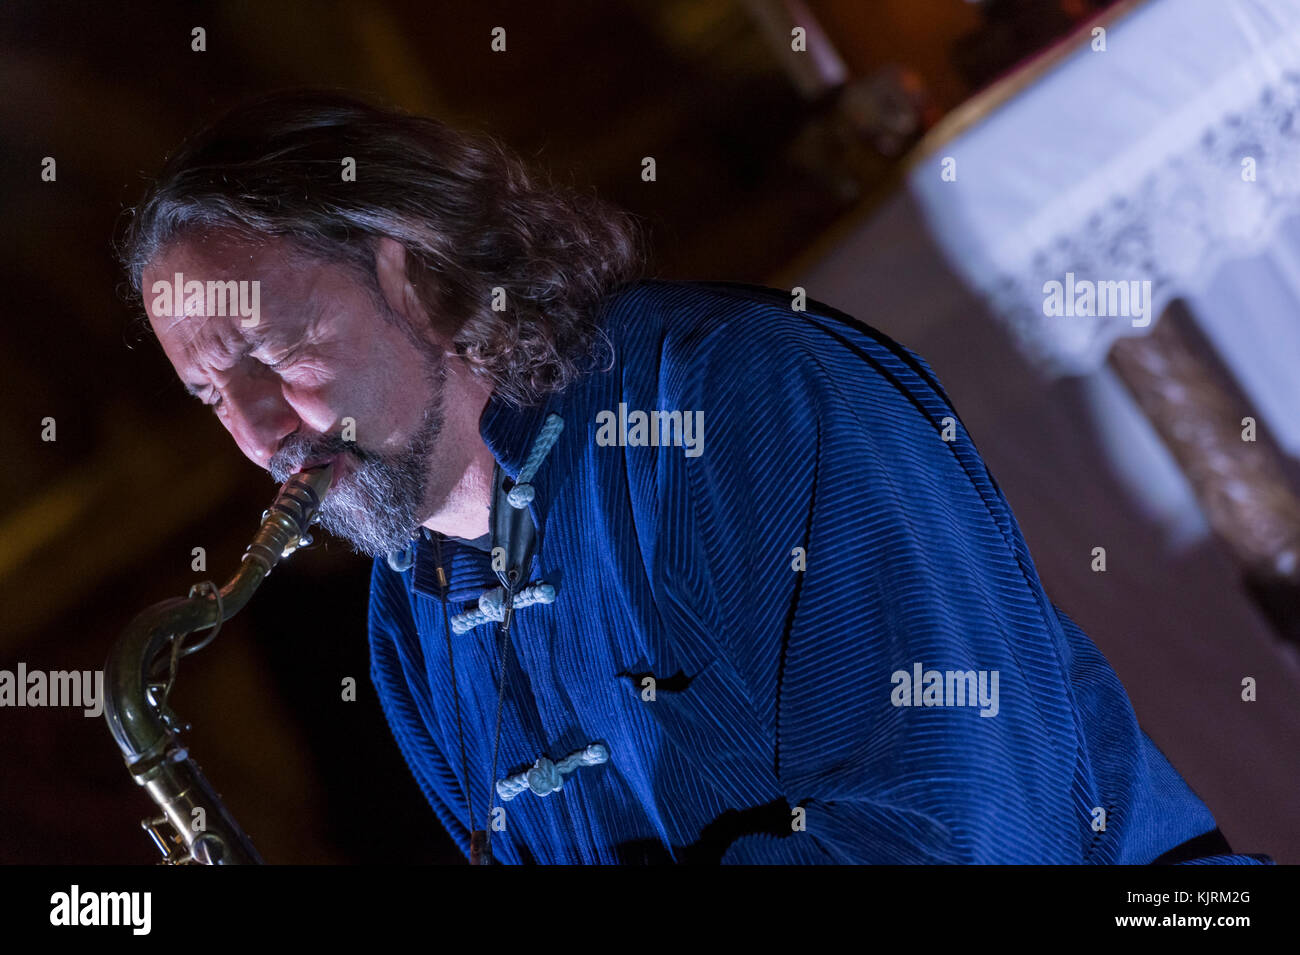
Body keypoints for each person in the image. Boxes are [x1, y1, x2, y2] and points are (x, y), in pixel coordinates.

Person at [120, 89, 1269, 864]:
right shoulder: (403, 618)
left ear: (410, 269)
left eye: (270, 353)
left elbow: (965, 815)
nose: (262, 429)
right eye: (213, 396)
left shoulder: (739, 398)